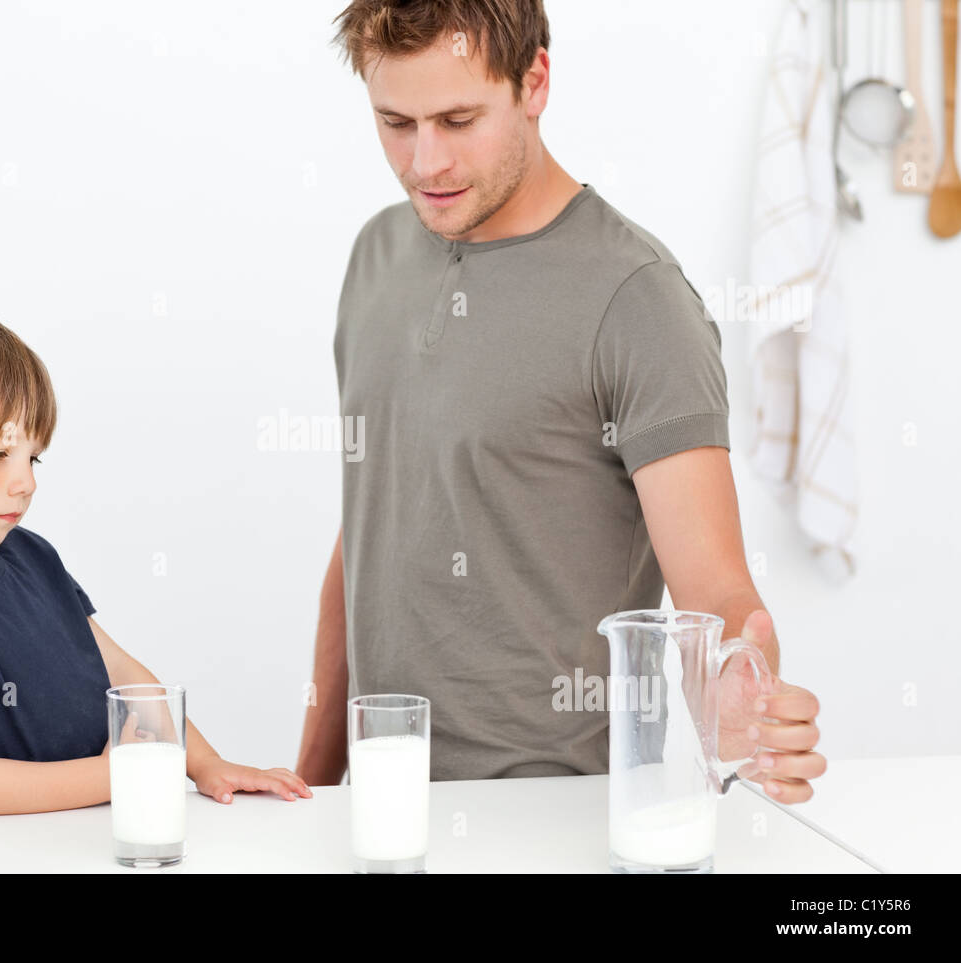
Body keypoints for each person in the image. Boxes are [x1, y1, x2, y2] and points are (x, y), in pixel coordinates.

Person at [295, 0, 826, 804]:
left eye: (459, 118)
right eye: (395, 121)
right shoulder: (376, 254)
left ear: (535, 80)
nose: (424, 162)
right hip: (383, 810)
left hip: (553, 820)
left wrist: (734, 693)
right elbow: (368, 529)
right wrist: (311, 785)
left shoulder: (636, 299)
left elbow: (715, 594)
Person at [0, 308, 311, 815]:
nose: (26, 482)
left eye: (33, 458)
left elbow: (123, 671)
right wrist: (116, 773)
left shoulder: (31, 554)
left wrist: (200, 762)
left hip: (102, 832)